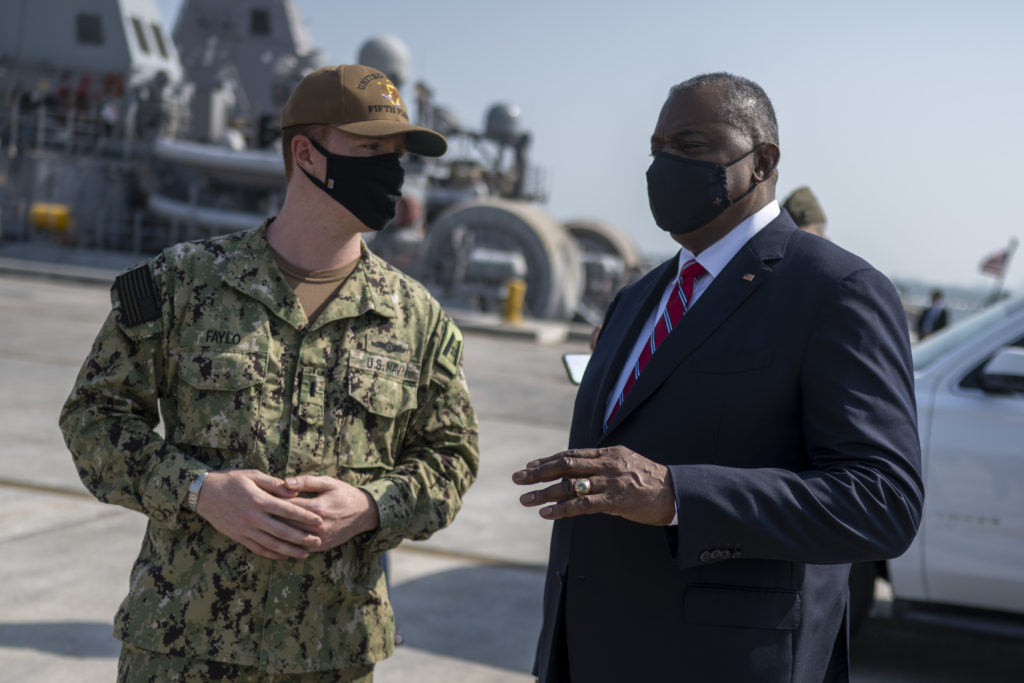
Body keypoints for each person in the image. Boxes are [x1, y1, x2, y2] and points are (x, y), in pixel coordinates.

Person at [60, 64, 479, 682]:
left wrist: (370, 507)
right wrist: (199, 491)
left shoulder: (417, 319)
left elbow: (451, 459)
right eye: (370, 152)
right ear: (305, 154)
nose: (392, 172)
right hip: (183, 649)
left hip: (332, 655)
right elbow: (92, 419)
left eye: (397, 156)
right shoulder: (181, 283)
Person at [513, 72, 923, 682]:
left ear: (762, 162)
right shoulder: (638, 299)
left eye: (691, 146)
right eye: (657, 148)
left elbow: (883, 501)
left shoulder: (837, 291)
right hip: (593, 653)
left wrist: (679, 495)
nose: (665, 165)